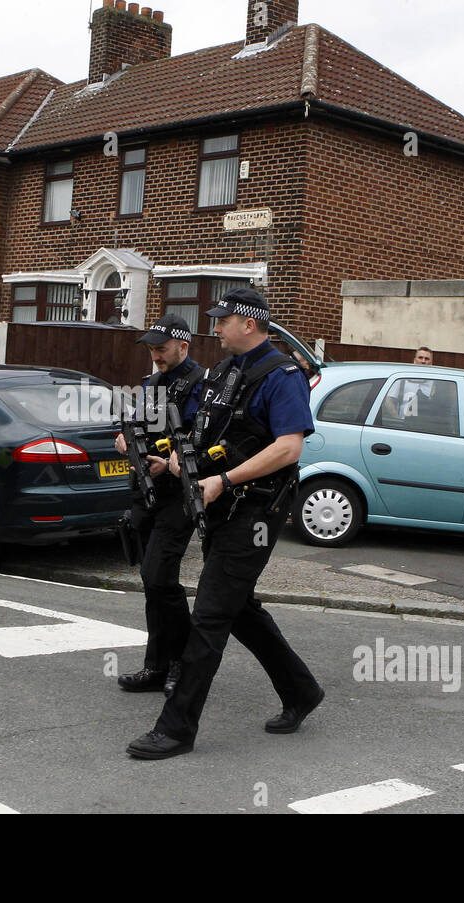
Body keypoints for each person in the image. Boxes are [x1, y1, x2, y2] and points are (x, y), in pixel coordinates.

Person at [127, 287, 323, 760]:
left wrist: (225, 479)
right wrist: (173, 459)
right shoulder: (224, 372)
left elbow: (289, 447)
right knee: (239, 611)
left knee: (210, 616)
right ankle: (301, 692)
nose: (214, 328)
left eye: (222, 320)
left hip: (255, 511)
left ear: (249, 323)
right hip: (220, 507)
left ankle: (176, 728)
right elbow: (207, 433)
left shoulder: (282, 376)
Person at [114, 314, 205, 697]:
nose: (156, 356)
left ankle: (181, 666)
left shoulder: (201, 385)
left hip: (177, 494)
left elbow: (199, 439)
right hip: (146, 490)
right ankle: (156, 665)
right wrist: (124, 438)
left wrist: (169, 461)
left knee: (160, 578)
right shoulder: (152, 383)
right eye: (151, 349)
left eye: (162, 349)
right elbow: (138, 425)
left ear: (183, 346)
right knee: (152, 583)